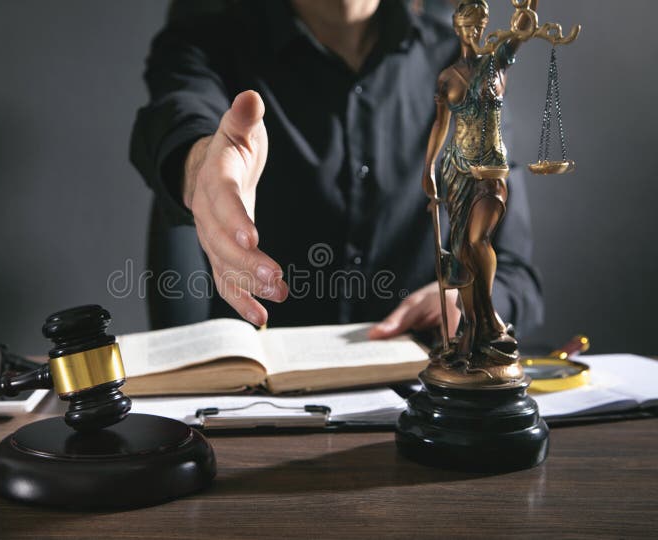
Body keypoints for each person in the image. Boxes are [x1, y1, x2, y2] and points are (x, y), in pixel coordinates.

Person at [130, 0, 543, 342]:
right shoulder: (209, 39)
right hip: (256, 408)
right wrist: (205, 168)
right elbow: (178, 115)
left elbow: (514, 275)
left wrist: (469, 300)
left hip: (418, 401)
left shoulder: (461, 60)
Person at [422, 0, 536, 360]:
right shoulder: (447, 76)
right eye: (467, 27)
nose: (473, 34)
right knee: (458, 253)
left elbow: (519, 34)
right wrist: (428, 168)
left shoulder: (494, 63)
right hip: (457, 169)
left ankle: (489, 318)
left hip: (489, 168)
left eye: (478, 27)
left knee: (478, 239)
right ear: (457, 28)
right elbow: (440, 125)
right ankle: (472, 324)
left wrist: (528, 11)